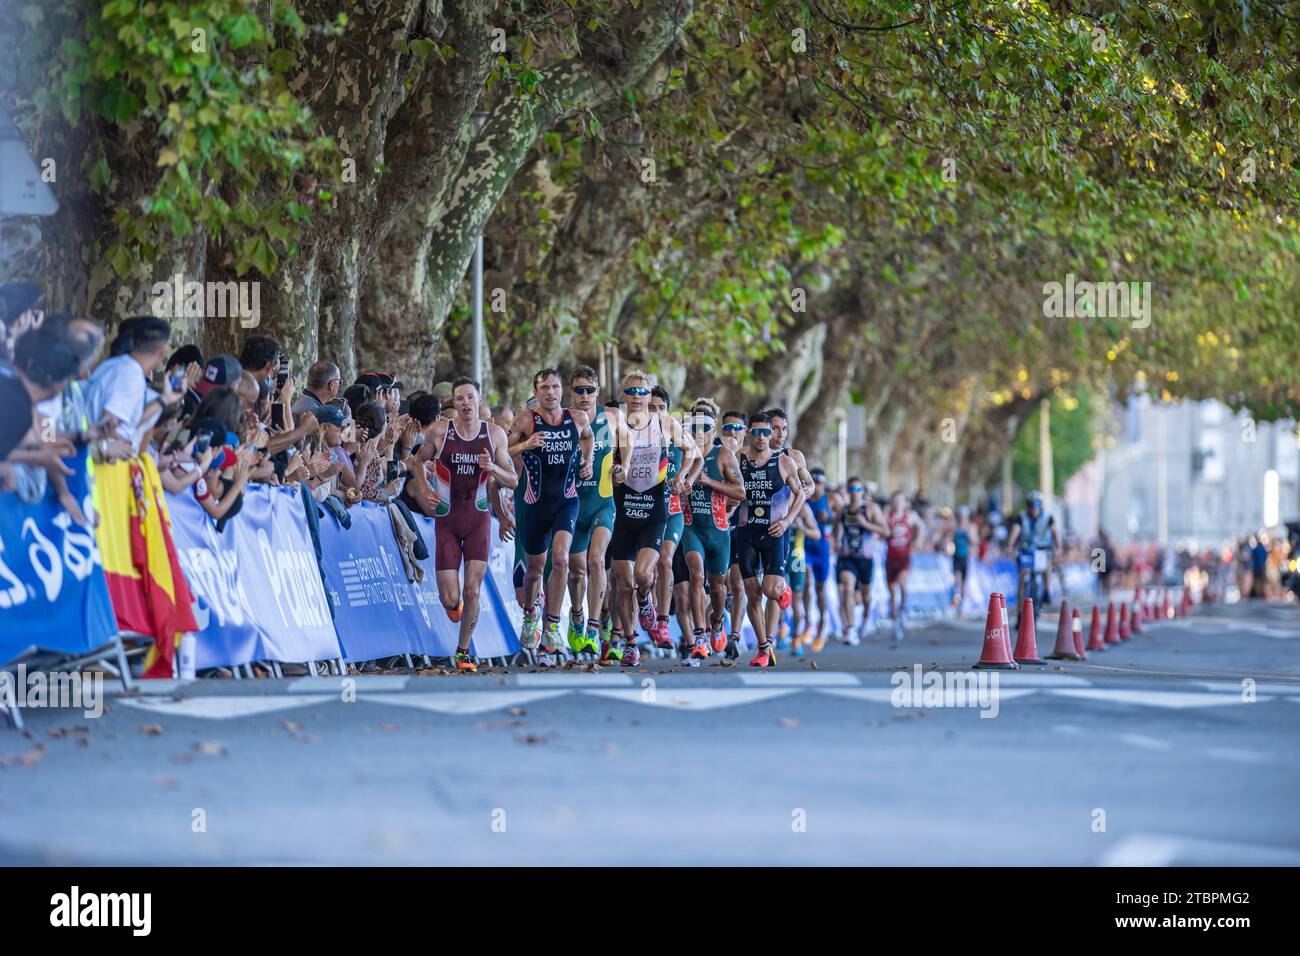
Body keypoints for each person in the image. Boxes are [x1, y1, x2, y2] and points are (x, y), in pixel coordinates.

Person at [419, 377, 517, 672]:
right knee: (450, 598)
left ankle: (463, 651)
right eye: (459, 398)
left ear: (479, 401)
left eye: (469, 398)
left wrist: (492, 468)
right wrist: (425, 489)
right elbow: (416, 461)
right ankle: (456, 608)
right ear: (454, 403)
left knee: (472, 591)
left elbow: (512, 479)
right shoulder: (439, 432)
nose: (464, 403)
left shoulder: (495, 434)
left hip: (478, 520)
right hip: (447, 520)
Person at [606, 370, 698, 667]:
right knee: (622, 583)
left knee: (643, 576)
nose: (636, 397)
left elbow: (693, 452)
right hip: (622, 509)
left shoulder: (664, 423)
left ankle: (645, 600)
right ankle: (631, 642)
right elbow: (600, 455)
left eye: (642, 392)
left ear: (650, 396)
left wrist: (682, 477)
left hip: (653, 508)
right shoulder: (615, 422)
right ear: (624, 395)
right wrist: (615, 471)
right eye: (631, 392)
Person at [506, 368, 594, 666]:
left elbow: (588, 437)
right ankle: (531, 615)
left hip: (567, 501)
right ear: (537, 391)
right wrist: (524, 445)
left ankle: (553, 625)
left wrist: (588, 461)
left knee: (561, 560)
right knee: (534, 571)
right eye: (544, 387)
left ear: (562, 390)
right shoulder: (525, 421)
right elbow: (500, 453)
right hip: (535, 505)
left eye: (555, 386)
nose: (551, 392)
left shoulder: (577, 418)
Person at [735, 411, 804, 667]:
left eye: (768, 432)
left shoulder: (784, 461)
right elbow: (729, 484)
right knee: (752, 593)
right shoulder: (738, 457)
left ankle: (782, 588)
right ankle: (764, 648)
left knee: (770, 590)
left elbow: (802, 493)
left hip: (775, 532)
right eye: (759, 432)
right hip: (746, 532)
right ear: (750, 433)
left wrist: (786, 522)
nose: (764, 437)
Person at [679, 398, 745, 661]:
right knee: (696, 575)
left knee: (718, 587)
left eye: (705, 427)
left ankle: (717, 620)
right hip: (690, 526)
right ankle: (699, 637)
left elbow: (740, 492)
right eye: (694, 426)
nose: (699, 432)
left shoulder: (724, 455)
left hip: (718, 530)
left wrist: (708, 481)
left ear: (713, 430)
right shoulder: (683, 453)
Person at [565, 367, 618, 657]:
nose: (584, 396)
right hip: (573, 504)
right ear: (571, 393)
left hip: (603, 502)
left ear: (598, 392)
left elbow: (630, 446)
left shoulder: (612, 418)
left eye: (590, 390)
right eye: (579, 390)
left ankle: (594, 629)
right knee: (576, 571)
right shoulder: (563, 419)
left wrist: (622, 466)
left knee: (597, 561)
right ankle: (576, 617)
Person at [649, 384, 702, 653]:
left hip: (672, 510)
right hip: (644, 509)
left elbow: (697, 457)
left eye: (661, 408)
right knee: (643, 573)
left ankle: (662, 622)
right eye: (651, 408)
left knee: (666, 561)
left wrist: (685, 478)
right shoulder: (637, 432)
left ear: (668, 411)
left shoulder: (673, 430)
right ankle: (645, 612)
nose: (656, 413)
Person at [835, 478, 888, 643]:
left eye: (857, 489)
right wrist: (837, 542)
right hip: (847, 557)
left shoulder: (870, 509)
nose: (853, 493)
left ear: (863, 491)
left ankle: (866, 614)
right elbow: (837, 528)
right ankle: (850, 628)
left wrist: (865, 524)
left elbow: (886, 531)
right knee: (847, 589)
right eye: (850, 489)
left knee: (866, 595)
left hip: (865, 558)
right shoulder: (844, 511)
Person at [1006, 490, 1060, 627]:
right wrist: (1010, 545)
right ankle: (1019, 613)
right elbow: (1015, 531)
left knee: (1046, 563)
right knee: (1023, 577)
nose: (1034, 509)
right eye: (1031, 505)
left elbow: (1054, 532)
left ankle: (1047, 589)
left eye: (1036, 505)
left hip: (1042, 548)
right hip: (1026, 549)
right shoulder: (1021, 517)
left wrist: (1058, 546)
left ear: (1040, 505)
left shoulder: (1048, 516)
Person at [883, 491, 925, 640]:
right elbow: (880, 530)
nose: (897, 504)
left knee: (902, 584)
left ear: (905, 503)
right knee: (892, 591)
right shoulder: (886, 516)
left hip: (904, 558)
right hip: (890, 559)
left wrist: (918, 540)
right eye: (895, 501)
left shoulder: (910, 516)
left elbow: (921, 527)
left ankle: (903, 610)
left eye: (900, 501)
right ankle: (896, 621)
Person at [805, 468, 837, 649]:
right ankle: (808, 619)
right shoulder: (804, 497)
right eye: (813, 482)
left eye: (819, 483)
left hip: (822, 549)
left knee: (820, 588)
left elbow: (844, 517)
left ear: (824, 484)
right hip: (806, 547)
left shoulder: (831, 499)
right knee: (806, 579)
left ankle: (822, 622)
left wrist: (831, 522)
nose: (816, 487)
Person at [950, 505, 974, 617]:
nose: (961, 519)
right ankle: (956, 604)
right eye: (959, 517)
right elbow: (948, 539)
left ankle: (961, 607)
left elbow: (974, 541)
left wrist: (969, 535)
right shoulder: (954, 528)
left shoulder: (969, 528)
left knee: (963, 584)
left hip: (965, 558)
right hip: (956, 557)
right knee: (957, 581)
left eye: (963, 517)